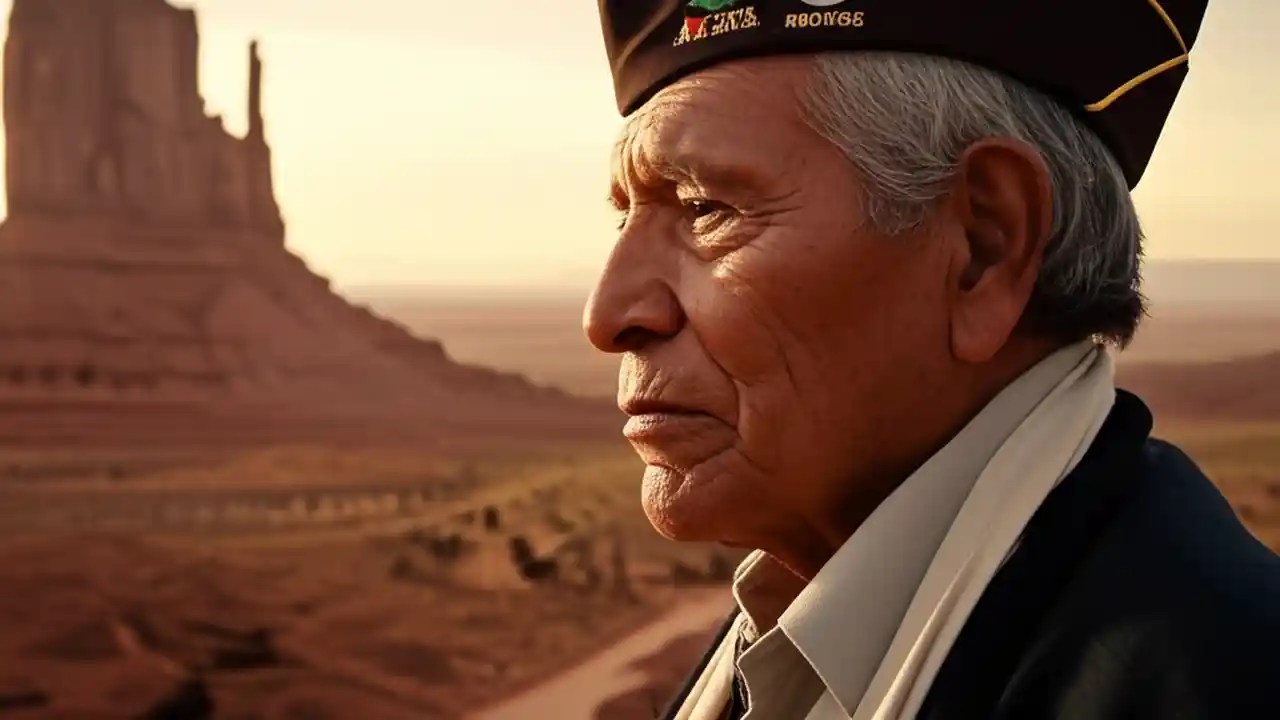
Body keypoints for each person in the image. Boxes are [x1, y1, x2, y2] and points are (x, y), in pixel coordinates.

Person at [583, 1, 1280, 718]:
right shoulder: (790, 635)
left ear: (984, 247)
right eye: (625, 215)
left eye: (705, 209)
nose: (607, 316)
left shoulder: (1223, 681)